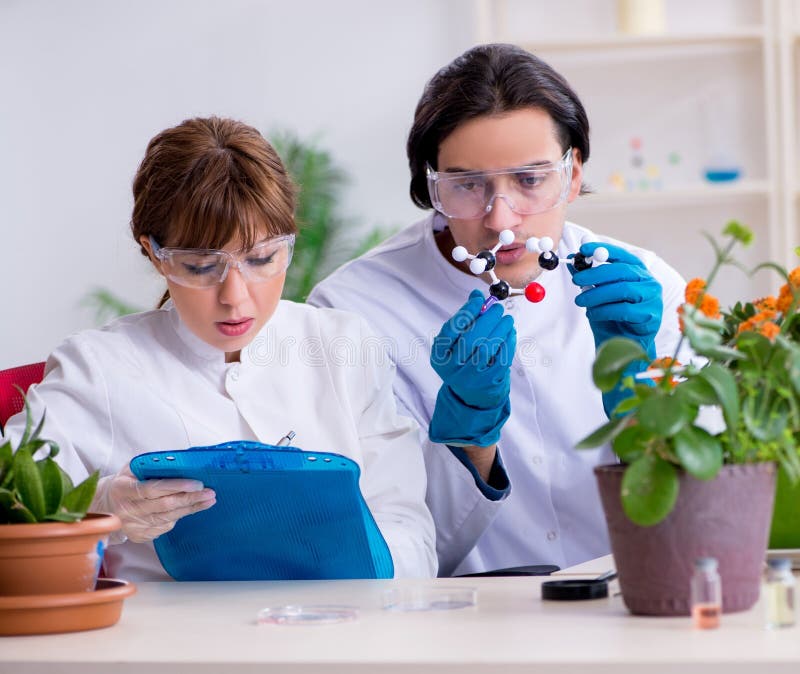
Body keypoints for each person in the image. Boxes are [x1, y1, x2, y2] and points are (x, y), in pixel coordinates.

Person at [1, 116, 436, 581]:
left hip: (333, 631)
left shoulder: (344, 347)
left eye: (262, 259)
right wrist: (102, 506)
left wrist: (365, 566)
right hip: (166, 646)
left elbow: (410, 531)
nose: (235, 296)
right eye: (202, 265)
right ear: (154, 253)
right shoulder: (98, 367)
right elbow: (12, 499)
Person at [308, 44, 686, 576]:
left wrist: (641, 404)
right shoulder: (351, 311)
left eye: (530, 180)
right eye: (466, 185)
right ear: (429, 184)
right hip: (465, 623)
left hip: (632, 598)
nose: (500, 217)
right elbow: (385, 548)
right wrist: (468, 441)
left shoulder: (649, 291)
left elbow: (703, 511)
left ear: (573, 174)